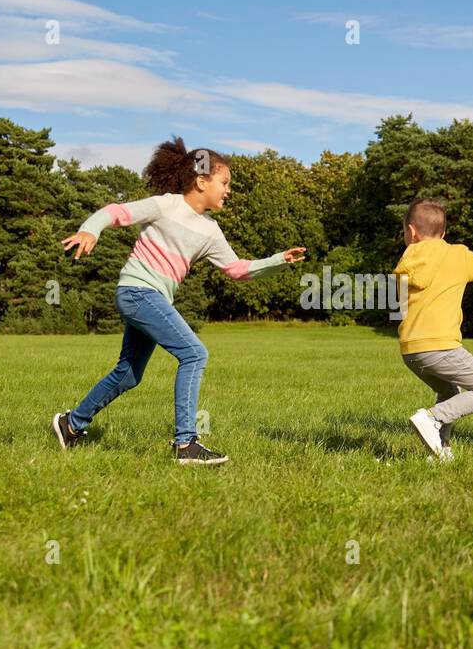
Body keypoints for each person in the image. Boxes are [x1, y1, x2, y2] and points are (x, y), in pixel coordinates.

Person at [51, 138, 306, 465]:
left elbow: (237, 269)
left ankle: (71, 424)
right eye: (224, 183)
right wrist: (91, 230)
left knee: (128, 374)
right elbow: (117, 212)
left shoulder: (211, 231)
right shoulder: (166, 205)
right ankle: (186, 444)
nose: (228, 190)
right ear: (202, 181)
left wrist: (278, 259)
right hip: (137, 292)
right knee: (194, 353)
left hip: (149, 298)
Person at [394, 198, 473, 460]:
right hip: (440, 346)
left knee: (448, 391)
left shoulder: (405, 263)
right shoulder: (457, 255)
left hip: (411, 351)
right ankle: (432, 418)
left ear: (412, 231)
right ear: (443, 233)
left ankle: (440, 450)